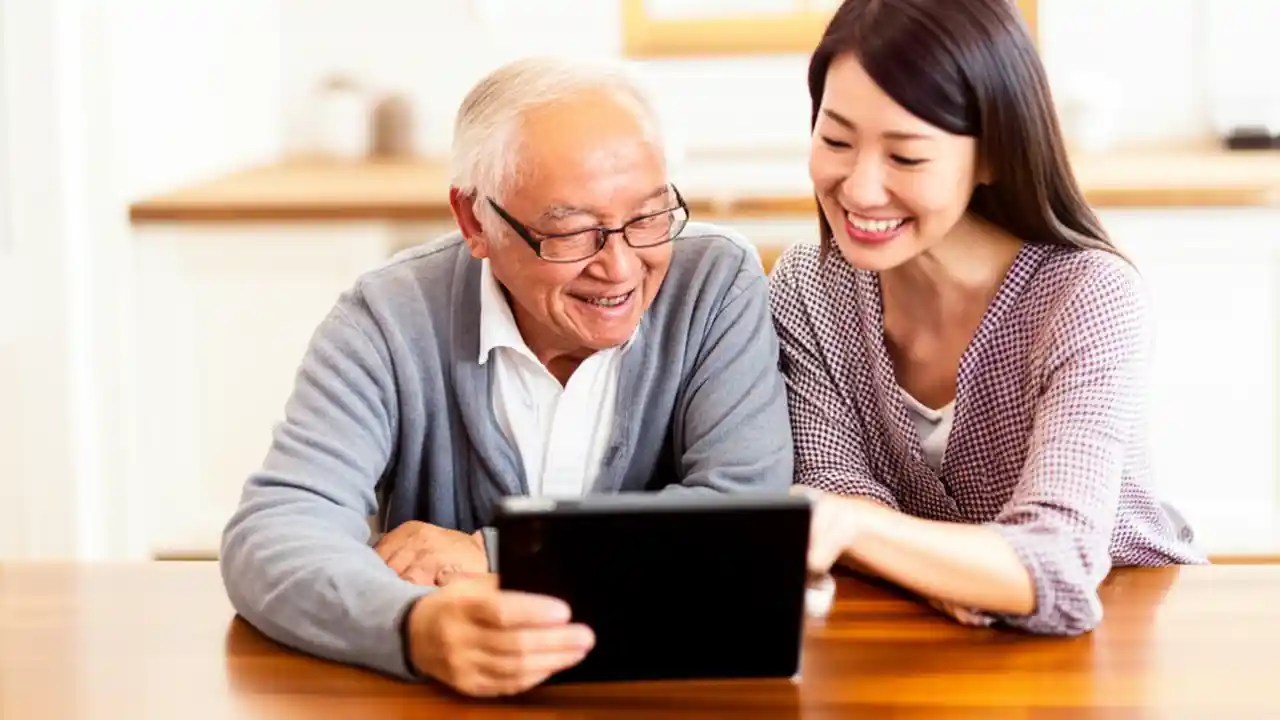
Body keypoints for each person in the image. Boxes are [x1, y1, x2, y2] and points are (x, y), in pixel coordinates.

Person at [220, 56, 793, 697]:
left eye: (649, 216)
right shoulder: (389, 315)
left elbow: (744, 519)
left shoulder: (713, 282)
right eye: (573, 232)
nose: (622, 267)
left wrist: (493, 554)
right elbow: (277, 529)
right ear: (475, 222)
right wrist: (416, 627)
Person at [770, 0, 1206, 636]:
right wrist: (964, 574)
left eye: (907, 157)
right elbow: (832, 484)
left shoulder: (1088, 295)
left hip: (1123, 628)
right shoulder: (808, 286)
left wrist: (863, 529)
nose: (860, 188)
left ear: (995, 156)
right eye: (835, 139)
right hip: (925, 641)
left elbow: (1056, 567)